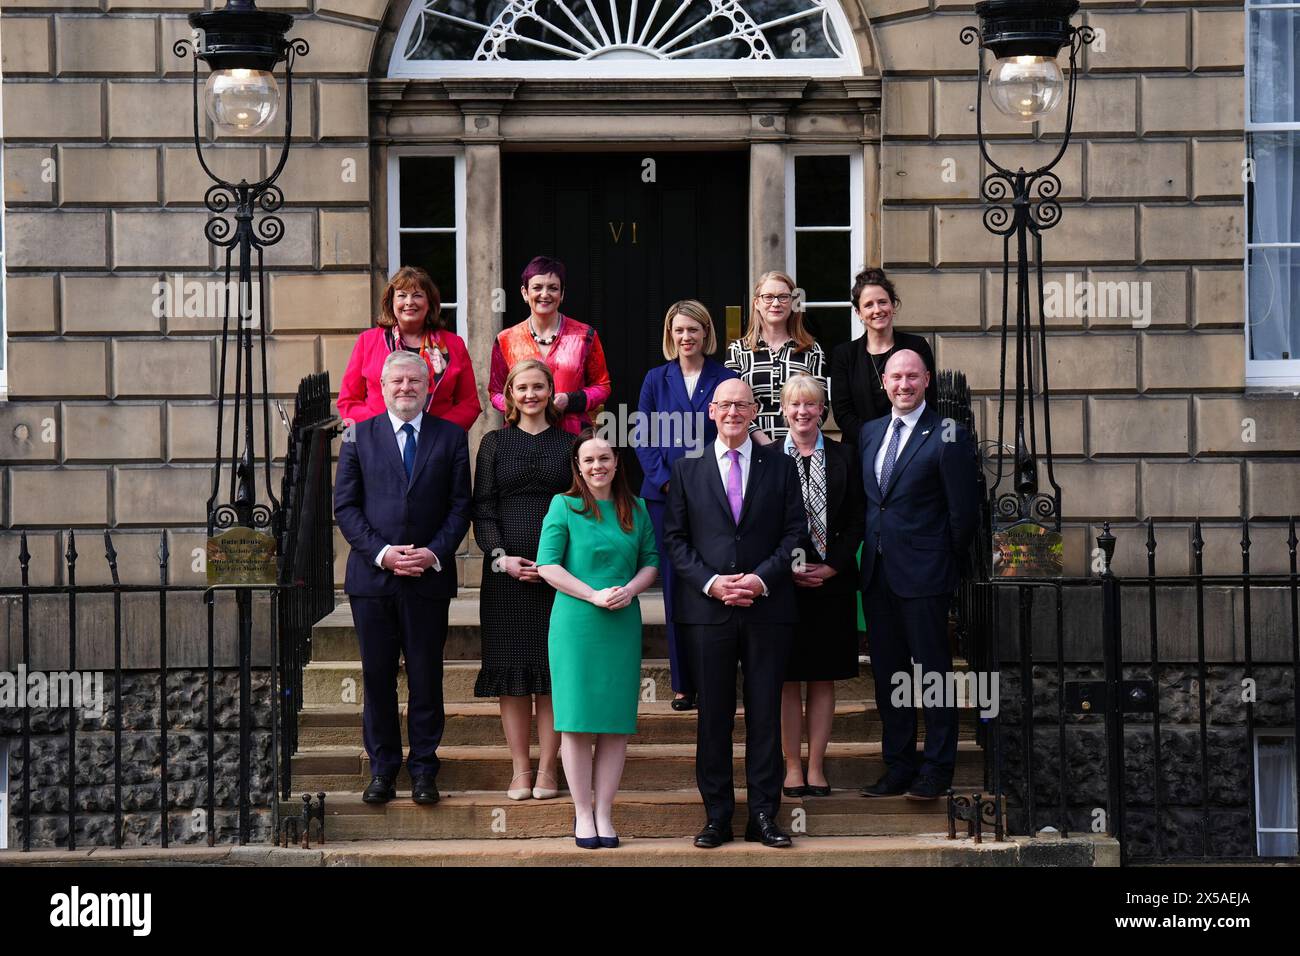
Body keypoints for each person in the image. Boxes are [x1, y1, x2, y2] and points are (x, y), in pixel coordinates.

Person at [664, 378, 806, 849]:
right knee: (714, 718)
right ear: (710, 411)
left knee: (766, 714)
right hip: (708, 611)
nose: (732, 412)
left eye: (741, 405)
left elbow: (794, 535)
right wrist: (713, 582)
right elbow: (675, 542)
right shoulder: (686, 470)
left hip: (768, 608)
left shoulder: (782, 467)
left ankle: (764, 816)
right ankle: (718, 817)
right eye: (724, 405)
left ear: (755, 411)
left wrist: (759, 579)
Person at [334, 350, 472, 806]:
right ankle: (383, 770)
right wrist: (384, 554)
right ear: (382, 387)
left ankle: (424, 770)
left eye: (415, 380)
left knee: (426, 676)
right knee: (376, 677)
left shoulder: (450, 438)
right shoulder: (358, 436)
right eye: (397, 381)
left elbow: (459, 507)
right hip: (373, 581)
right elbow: (346, 508)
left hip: (428, 579)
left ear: (428, 386)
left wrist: (432, 553)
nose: (406, 388)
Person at [857, 349, 979, 801]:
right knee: (890, 678)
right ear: (884, 383)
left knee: (932, 675)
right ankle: (898, 766)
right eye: (895, 377)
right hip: (877, 574)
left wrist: (941, 562)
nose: (903, 385)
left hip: (925, 575)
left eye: (912, 376)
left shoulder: (948, 433)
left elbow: (963, 513)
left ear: (926, 380)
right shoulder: (870, 433)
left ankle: (937, 769)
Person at [536, 430, 659, 848]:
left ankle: (605, 812)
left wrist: (631, 589)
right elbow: (547, 566)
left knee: (614, 726)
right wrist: (591, 594)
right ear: (578, 466)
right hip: (576, 622)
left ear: (616, 461)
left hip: (622, 621)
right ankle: (582, 813)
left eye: (604, 458)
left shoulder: (636, 508)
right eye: (588, 460)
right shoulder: (564, 506)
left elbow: (651, 563)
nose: (597, 466)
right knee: (576, 723)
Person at [472, 358, 572, 801]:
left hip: (559, 573)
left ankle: (550, 769)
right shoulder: (493, 443)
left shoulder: (572, 443)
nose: (530, 394)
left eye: (538, 387)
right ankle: (520, 769)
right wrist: (501, 558)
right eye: (521, 388)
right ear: (509, 395)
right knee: (512, 675)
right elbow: (483, 508)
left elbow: (581, 507)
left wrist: (555, 564)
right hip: (505, 576)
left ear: (551, 392)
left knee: (552, 674)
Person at [635, 300, 739, 712]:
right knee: (677, 587)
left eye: (694, 330)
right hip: (663, 496)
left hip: (715, 495)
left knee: (714, 579)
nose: (686, 337)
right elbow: (642, 435)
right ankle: (682, 682)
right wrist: (665, 481)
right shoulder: (655, 379)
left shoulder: (725, 378)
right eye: (679, 330)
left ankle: (715, 676)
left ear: (706, 333)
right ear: (670, 334)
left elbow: (733, 432)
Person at [777, 374, 864, 798]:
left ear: (822, 410)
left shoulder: (846, 455)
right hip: (785, 585)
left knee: (824, 677)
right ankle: (792, 767)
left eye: (810, 404)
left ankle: (816, 767)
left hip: (832, 583)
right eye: (794, 404)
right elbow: (765, 523)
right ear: (782, 410)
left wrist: (831, 566)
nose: (802, 411)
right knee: (788, 678)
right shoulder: (769, 458)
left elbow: (856, 520)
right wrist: (787, 567)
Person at [337, 266, 481, 430]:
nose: (409, 302)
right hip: (380, 442)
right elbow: (348, 401)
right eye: (402, 296)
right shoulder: (367, 341)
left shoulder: (454, 344)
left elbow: (469, 404)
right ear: (391, 302)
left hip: (436, 444)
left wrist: (441, 432)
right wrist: (380, 429)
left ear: (429, 303)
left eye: (417, 295)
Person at [488, 256, 612, 435]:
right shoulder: (506, 339)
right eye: (537, 287)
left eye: (553, 288)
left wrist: (569, 400)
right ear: (524, 292)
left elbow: (602, 386)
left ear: (561, 294)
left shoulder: (585, 335)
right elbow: (495, 392)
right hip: (522, 434)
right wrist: (520, 405)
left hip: (573, 436)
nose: (545, 294)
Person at [830, 267, 937, 447]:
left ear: (893, 305)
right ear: (858, 313)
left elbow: (930, 400)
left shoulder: (917, 347)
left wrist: (902, 440)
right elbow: (843, 414)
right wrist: (878, 440)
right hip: (861, 450)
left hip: (911, 447)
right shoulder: (844, 355)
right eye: (868, 305)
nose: (877, 310)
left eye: (882, 302)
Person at [725, 270, 827, 446]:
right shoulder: (738, 350)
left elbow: (821, 407)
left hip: (800, 446)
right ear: (757, 303)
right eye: (768, 297)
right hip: (751, 446)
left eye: (783, 297)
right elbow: (731, 406)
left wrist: (792, 443)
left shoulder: (812, 350)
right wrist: (764, 442)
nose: (776, 303)